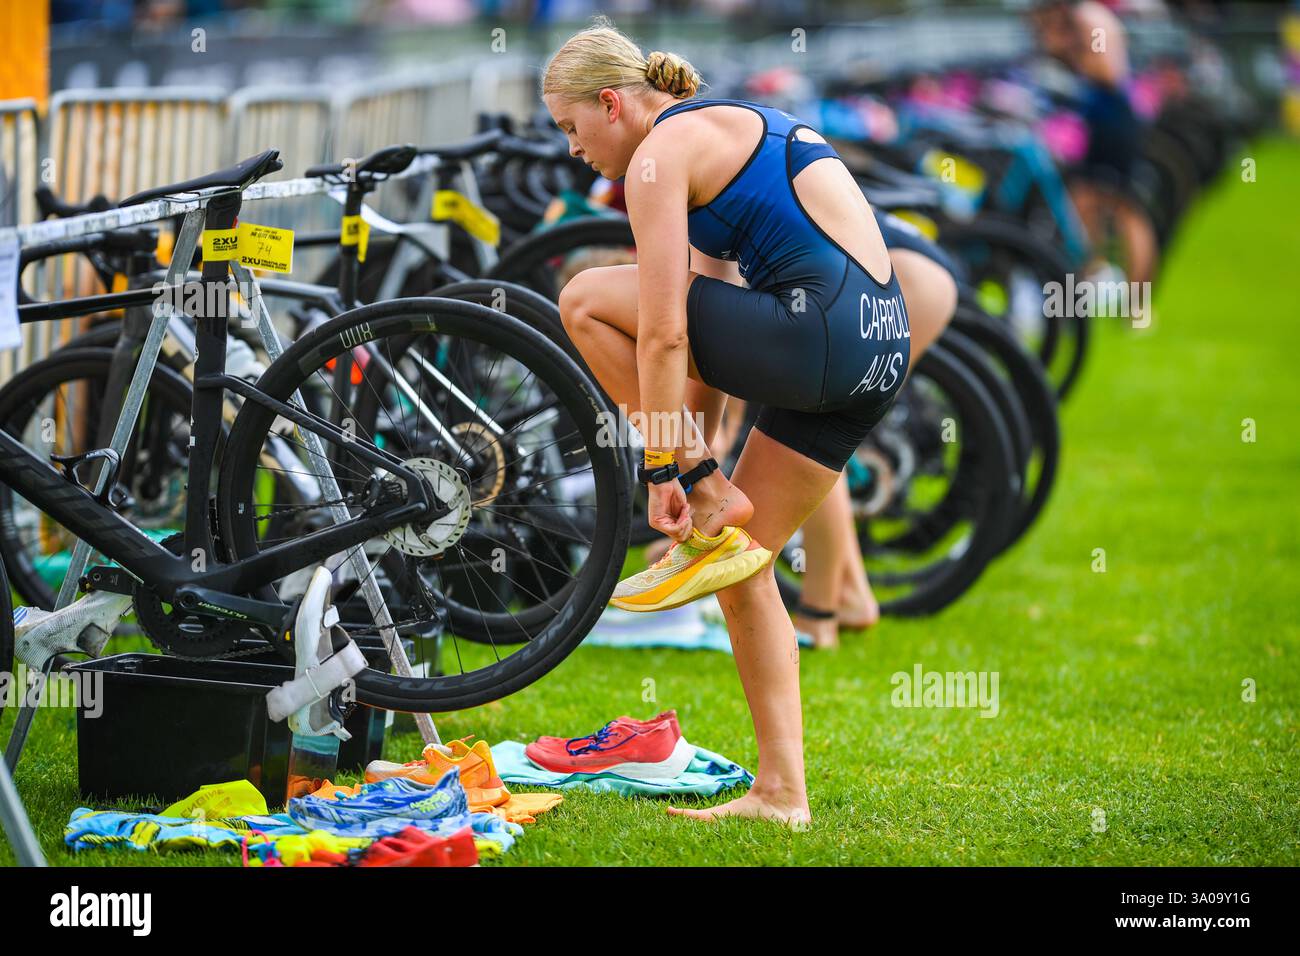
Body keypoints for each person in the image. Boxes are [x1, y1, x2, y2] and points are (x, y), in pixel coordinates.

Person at [542, 18, 948, 822]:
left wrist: (669, 469)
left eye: (570, 126)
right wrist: (705, 475)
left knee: (582, 300)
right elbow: (710, 341)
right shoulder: (723, 129)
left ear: (612, 103)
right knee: (736, 563)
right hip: (874, 353)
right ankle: (781, 794)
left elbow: (664, 332)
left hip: (816, 337)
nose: (571, 149)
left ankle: (709, 494)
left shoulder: (657, 160)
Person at [1030, 0, 1158, 284]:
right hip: (1108, 119)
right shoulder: (1089, 16)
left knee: (1124, 207)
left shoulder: (1088, 18)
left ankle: (1134, 297)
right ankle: (1092, 278)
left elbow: (1107, 71)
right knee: (1088, 200)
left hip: (1112, 120)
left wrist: (1068, 55)